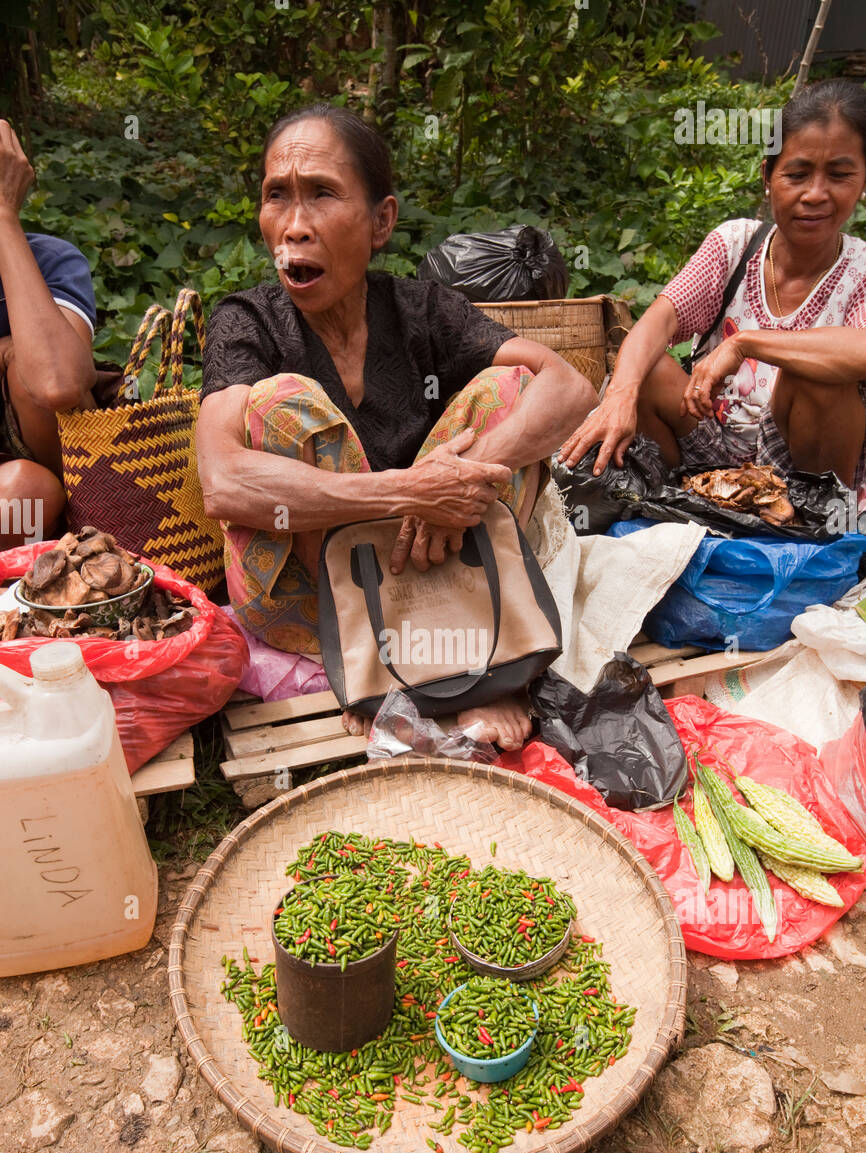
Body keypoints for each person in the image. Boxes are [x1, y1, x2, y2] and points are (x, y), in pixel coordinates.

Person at [196, 103, 597, 749]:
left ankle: (430, 656)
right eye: (277, 197)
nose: (293, 226)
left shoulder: (420, 308)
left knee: (512, 389)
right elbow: (223, 481)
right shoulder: (248, 319)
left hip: (434, 566)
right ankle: (377, 663)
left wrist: (458, 484)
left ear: (381, 220)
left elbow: (571, 387)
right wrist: (414, 493)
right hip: (308, 598)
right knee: (280, 401)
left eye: (322, 194)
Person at [560, 79, 866, 511]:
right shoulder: (736, 244)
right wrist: (619, 397)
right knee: (645, 369)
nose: (815, 194)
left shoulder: (861, 270)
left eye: (839, 174)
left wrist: (746, 343)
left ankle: (810, 529)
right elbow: (658, 321)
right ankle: (667, 499)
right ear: (768, 176)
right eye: (796, 174)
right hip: (709, 453)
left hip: (801, 470)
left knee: (817, 375)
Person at [0, 120, 98, 549]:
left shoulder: (49, 261)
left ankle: (72, 547)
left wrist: (3, 217)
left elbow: (57, 384)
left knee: (27, 492)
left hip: (39, 488)